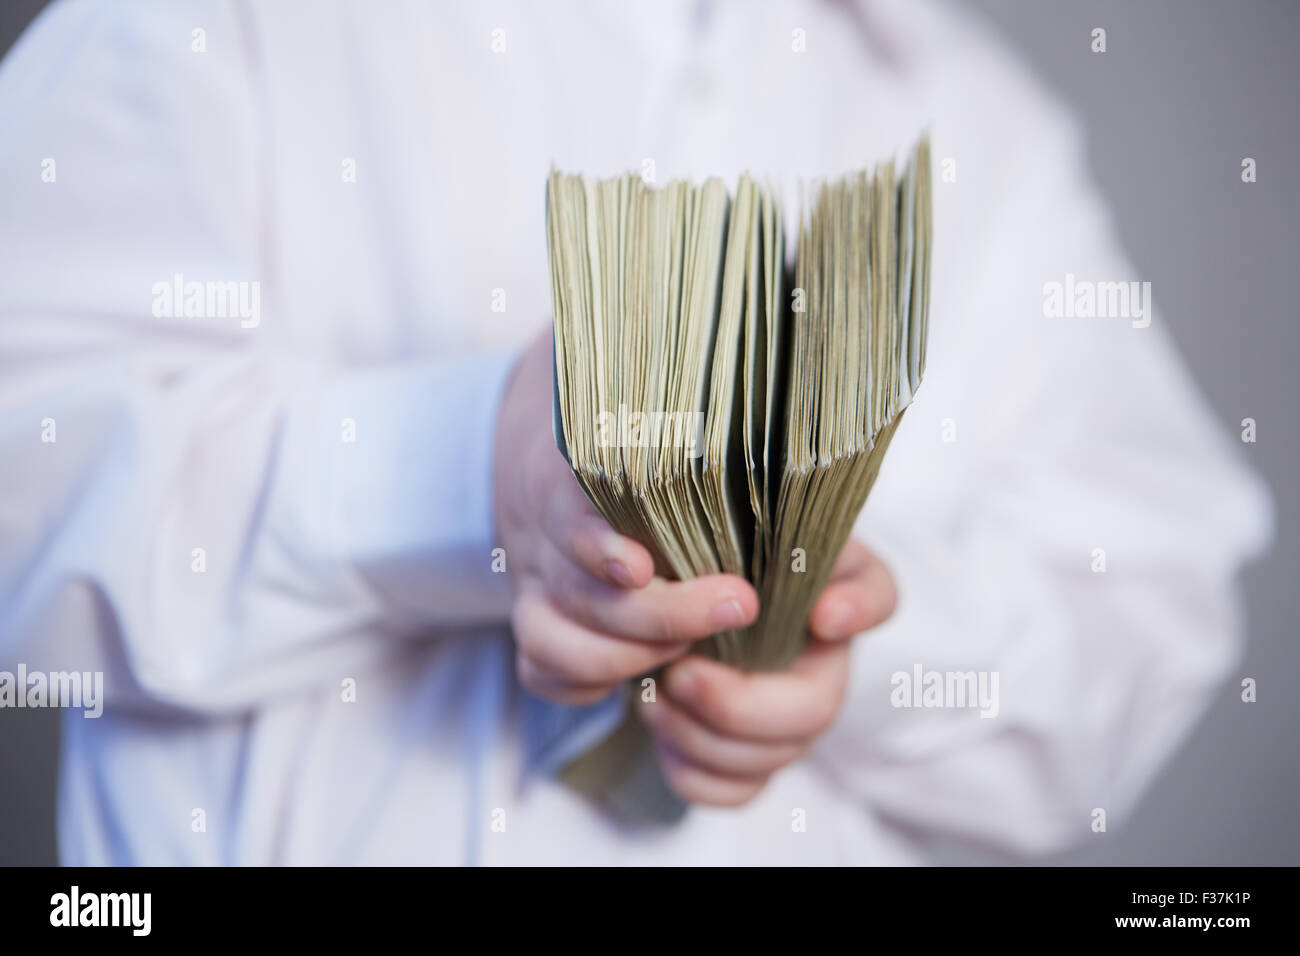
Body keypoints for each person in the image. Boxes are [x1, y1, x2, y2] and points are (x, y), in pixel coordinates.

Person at [0, 0, 1269, 865]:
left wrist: (864, 644)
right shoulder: (218, 24)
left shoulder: (985, 127)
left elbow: (1154, 605)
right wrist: (459, 472)